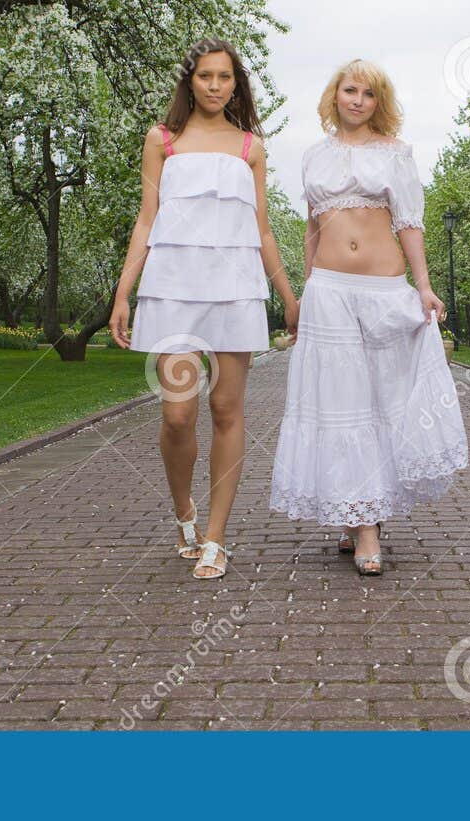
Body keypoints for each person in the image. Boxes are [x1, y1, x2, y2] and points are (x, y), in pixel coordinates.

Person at [269, 59, 467, 576]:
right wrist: (305, 290)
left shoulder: (396, 155)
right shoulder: (314, 157)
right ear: (334, 95)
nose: (357, 99)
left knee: (383, 402)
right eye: (349, 89)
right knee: (341, 403)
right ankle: (363, 527)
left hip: (382, 290)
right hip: (329, 293)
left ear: (380, 103)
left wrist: (423, 286)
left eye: (368, 94)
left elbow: (410, 224)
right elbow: (313, 229)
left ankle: (361, 510)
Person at [111, 38, 299, 580]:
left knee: (225, 410)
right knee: (177, 414)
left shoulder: (250, 148)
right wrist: (124, 292)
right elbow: (147, 219)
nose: (216, 86)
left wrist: (289, 298)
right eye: (206, 77)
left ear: (236, 83)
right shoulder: (162, 140)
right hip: (172, 287)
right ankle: (184, 513)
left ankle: (216, 537)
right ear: (189, 81)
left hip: (236, 289)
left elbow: (262, 229)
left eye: (225, 77)